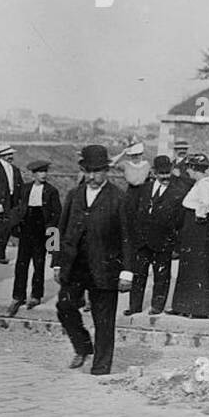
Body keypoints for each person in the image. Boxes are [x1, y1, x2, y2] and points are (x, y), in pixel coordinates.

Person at [54, 145, 133, 374]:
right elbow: (57, 230)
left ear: (106, 171)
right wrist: (56, 261)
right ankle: (83, 346)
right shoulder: (74, 195)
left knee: (104, 319)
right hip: (75, 266)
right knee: (65, 306)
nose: (91, 177)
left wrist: (127, 272)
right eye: (87, 171)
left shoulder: (118, 198)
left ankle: (101, 367)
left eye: (96, 171)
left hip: (105, 268)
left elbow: (129, 238)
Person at [124, 155, 189, 316]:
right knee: (138, 274)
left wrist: (176, 245)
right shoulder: (143, 189)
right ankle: (135, 306)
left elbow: (180, 222)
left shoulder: (178, 193)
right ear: (154, 172)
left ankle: (157, 305)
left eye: (168, 173)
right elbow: (133, 213)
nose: (166, 177)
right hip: (142, 242)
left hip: (163, 242)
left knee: (161, 275)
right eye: (162, 173)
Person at [6, 159, 62, 316]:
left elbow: (56, 214)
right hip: (26, 227)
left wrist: (51, 238)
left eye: (45, 172)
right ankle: (18, 296)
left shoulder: (51, 191)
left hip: (41, 229)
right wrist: (14, 225)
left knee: (39, 263)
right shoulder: (25, 189)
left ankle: (36, 295)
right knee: (21, 264)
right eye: (40, 172)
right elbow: (18, 208)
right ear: (34, 174)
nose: (43, 175)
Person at [170, 153, 209, 318]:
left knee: (197, 266)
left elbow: (204, 204)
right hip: (194, 227)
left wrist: (198, 218)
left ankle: (198, 308)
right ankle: (184, 305)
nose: (188, 172)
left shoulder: (205, 185)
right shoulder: (200, 183)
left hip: (198, 227)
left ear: (193, 168)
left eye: (189, 169)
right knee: (189, 265)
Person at [0, 145, 23, 264]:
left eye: (11, 154)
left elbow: (20, 186)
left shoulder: (15, 169)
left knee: (8, 227)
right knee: (1, 229)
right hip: (1, 204)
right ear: (2, 155)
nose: (11, 157)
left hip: (12, 202)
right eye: (8, 154)